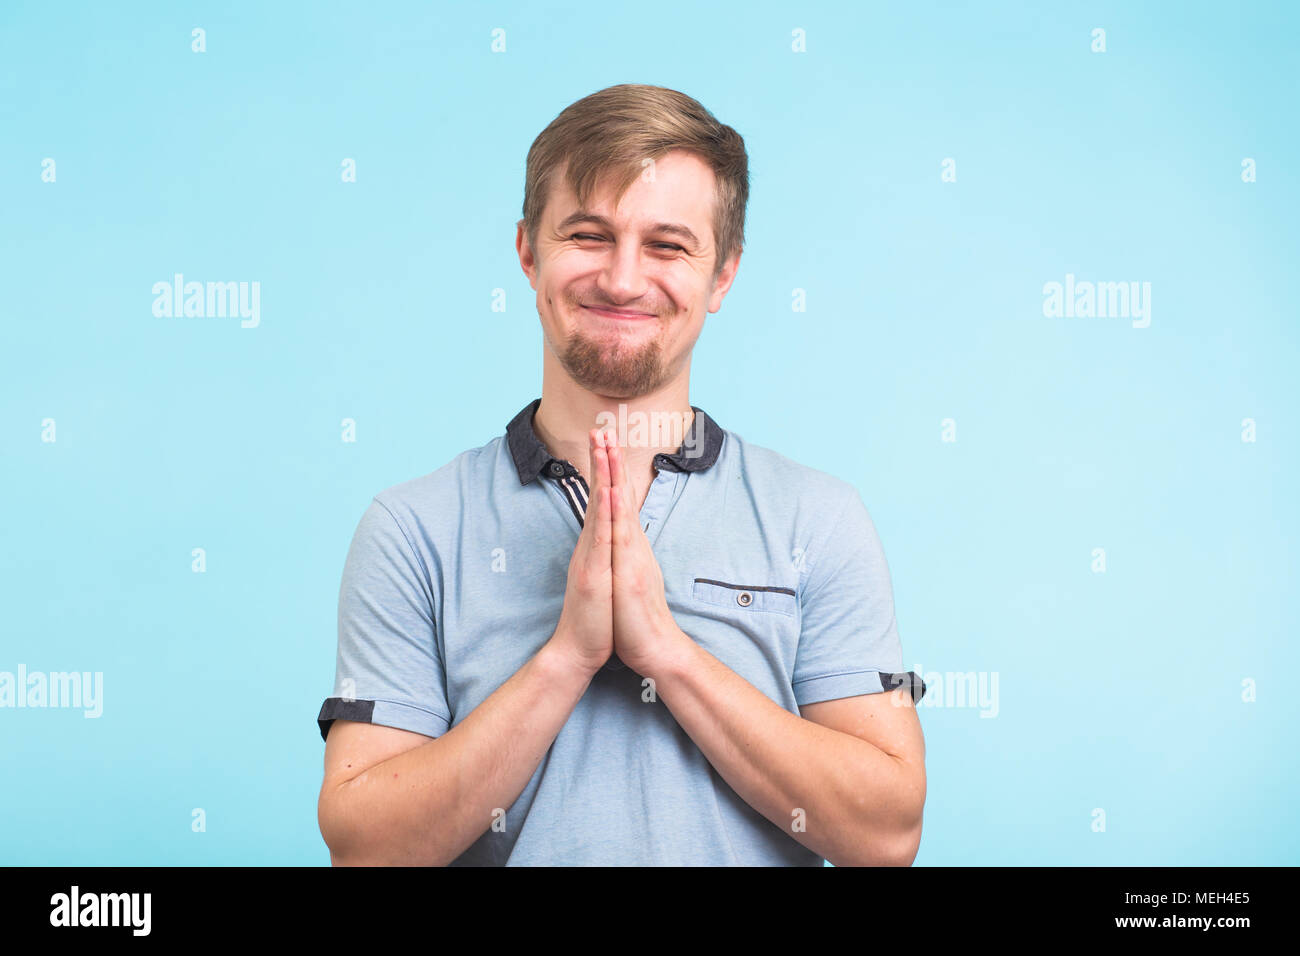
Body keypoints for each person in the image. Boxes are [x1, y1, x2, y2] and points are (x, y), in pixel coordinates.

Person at [315, 83, 927, 866]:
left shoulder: (819, 519)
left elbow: (886, 835)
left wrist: (667, 653)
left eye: (668, 245)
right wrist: (567, 657)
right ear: (528, 253)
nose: (623, 279)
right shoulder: (412, 531)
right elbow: (368, 851)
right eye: (588, 235)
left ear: (724, 275)